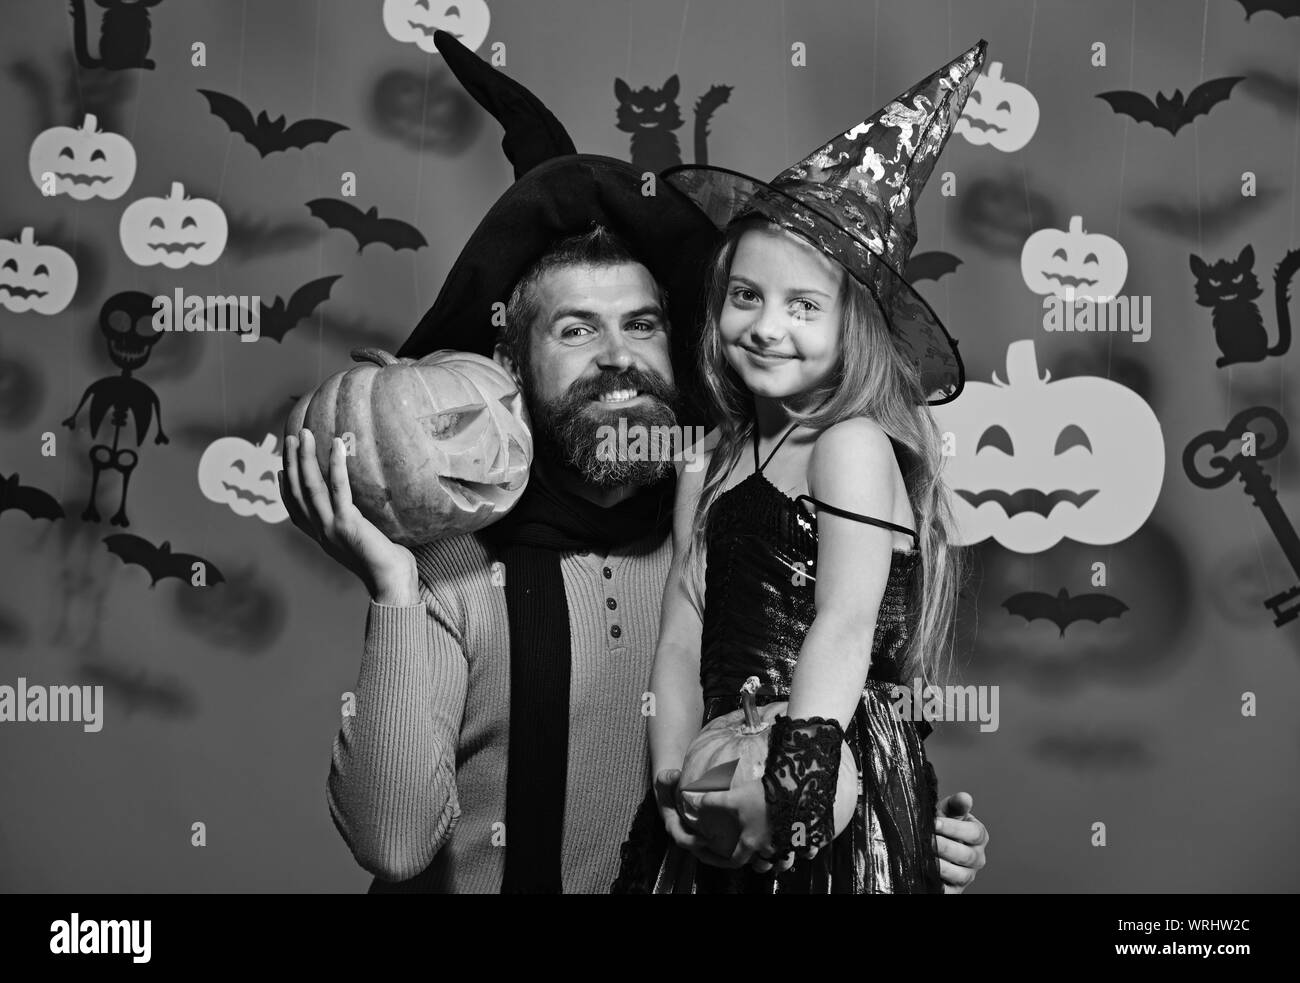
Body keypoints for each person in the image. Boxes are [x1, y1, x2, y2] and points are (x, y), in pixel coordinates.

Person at [278, 30, 989, 894]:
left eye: (641, 324)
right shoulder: (456, 566)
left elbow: (842, 673)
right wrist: (396, 590)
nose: (618, 356)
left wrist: (904, 826)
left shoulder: (718, 524)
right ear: (508, 363)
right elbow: (393, 846)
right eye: (576, 329)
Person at [611, 40, 989, 893]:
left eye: (802, 305)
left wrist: (798, 789)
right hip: (721, 764)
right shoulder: (706, 460)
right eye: (747, 295)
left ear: (853, 323)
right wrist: (673, 772)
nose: (766, 326)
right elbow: (679, 630)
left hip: (827, 766)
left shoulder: (851, 447)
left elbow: (845, 624)